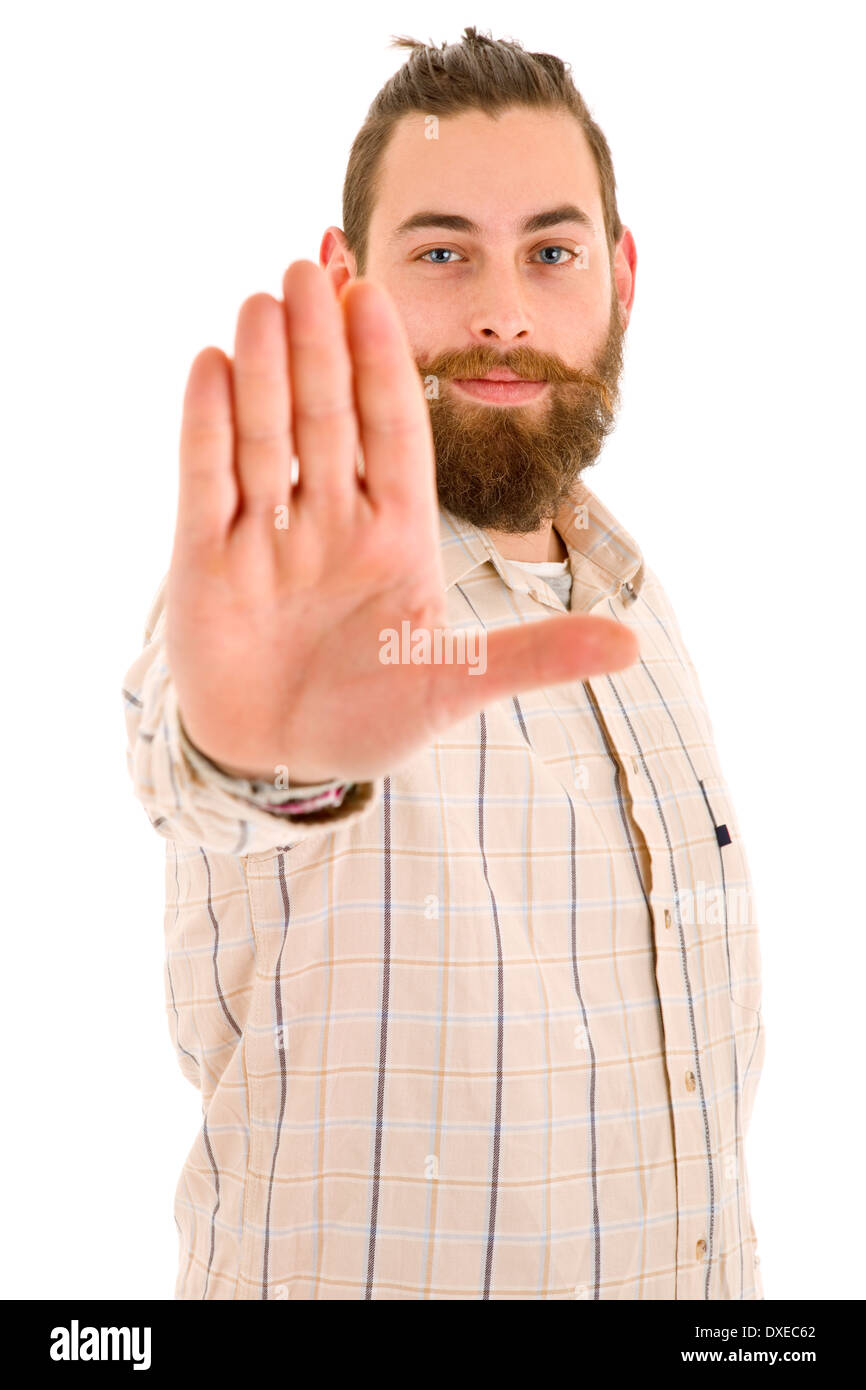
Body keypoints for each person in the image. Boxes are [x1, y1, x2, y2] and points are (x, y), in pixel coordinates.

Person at [122, 27, 765, 1300]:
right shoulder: (298, 585)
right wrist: (259, 748)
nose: (502, 311)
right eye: (438, 252)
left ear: (620, 277)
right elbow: (191, 751)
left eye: (549, 251)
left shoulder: (635, 605)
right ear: (342, 275)